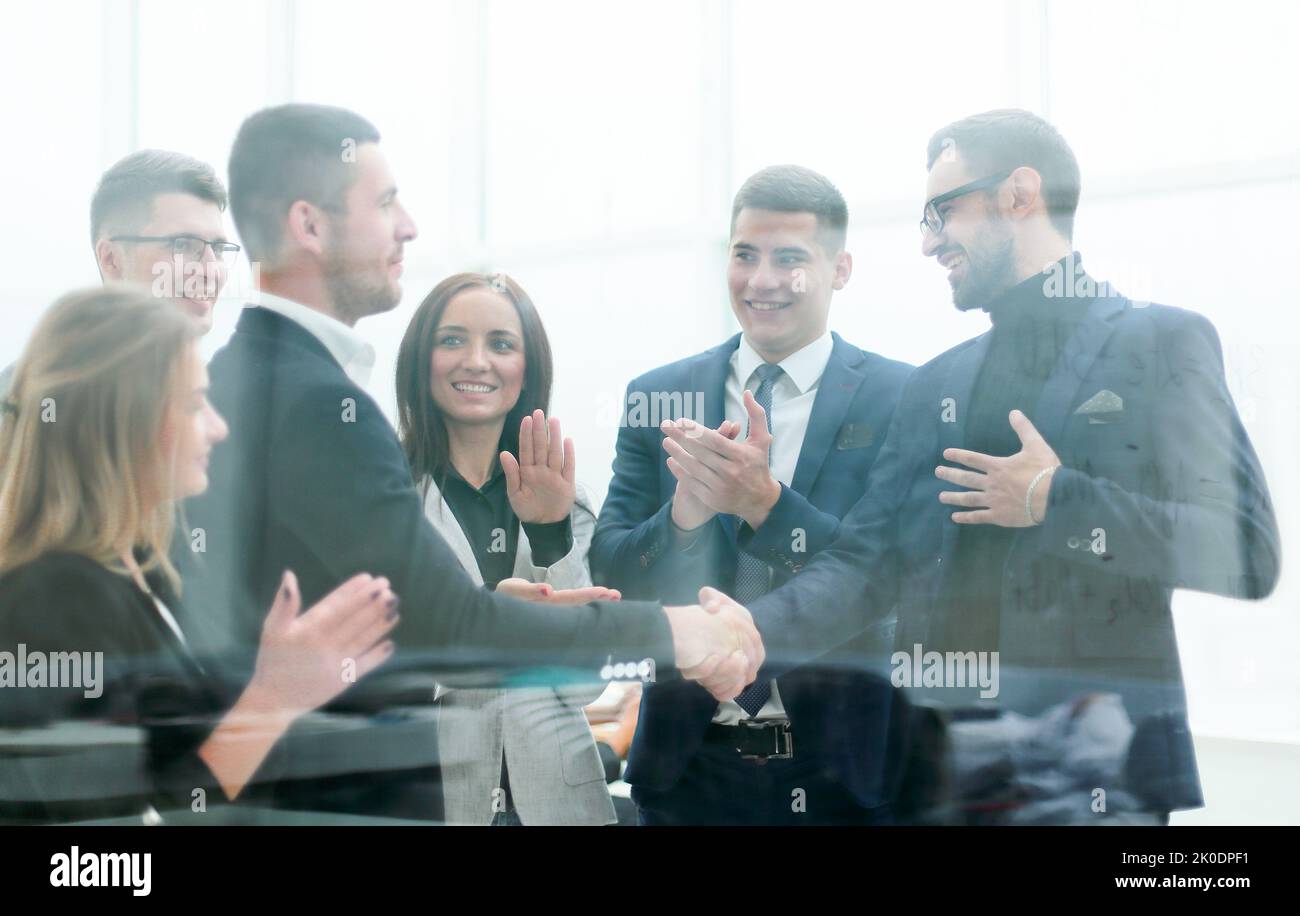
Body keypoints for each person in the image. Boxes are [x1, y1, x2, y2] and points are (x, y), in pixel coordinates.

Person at [175, 103, 763, 820]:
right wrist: (680, 632)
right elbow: (450, 627)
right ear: (309, 225)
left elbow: (421, 627)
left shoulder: (256, 378)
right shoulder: (319, 407)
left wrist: (516, 581)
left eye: (502, 345)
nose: (408, 227)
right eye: (386, 202)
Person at [737, 109, 1280, 824]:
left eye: (943, 211)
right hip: (935, 780)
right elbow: (864, 565)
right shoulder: (934, 385)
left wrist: (1057, 498)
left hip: (1092, 780)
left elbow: (1244, 549)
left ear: (1020, 193)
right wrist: (743, 631)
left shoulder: (1163, 343)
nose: (929, 241)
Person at [0, 287, 397, 823]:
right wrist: (273, 697)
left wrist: (277, 692)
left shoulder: (139, 567)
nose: (219, 426)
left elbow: (177, 783)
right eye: (192, 404)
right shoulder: (55, 601)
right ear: (122, 419)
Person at [591, 165, 914, 825]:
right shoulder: (659, 395)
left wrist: (765, 504)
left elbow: (893, 578)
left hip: (841, 772)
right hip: (687, 769)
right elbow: (613, 573)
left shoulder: (903, 399)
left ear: (840, 268)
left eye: (790, 259)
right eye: (745, 255)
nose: (761, 281)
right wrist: (685, 515)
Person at [396, 270, 623, 826]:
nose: (477, 361)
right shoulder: (383, 497)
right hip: (435, 798)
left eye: (501, 344)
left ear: (528, 368)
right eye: (452, 340)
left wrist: (549, 532)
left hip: (558, 801)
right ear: (420, 360)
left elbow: (586, 681)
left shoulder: (570, 500)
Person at [0, 150, 236, 403]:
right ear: (111, 259)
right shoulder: (31, 399)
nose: (211, 270)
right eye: (183, 245)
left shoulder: (227, 400)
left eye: (219, 249)